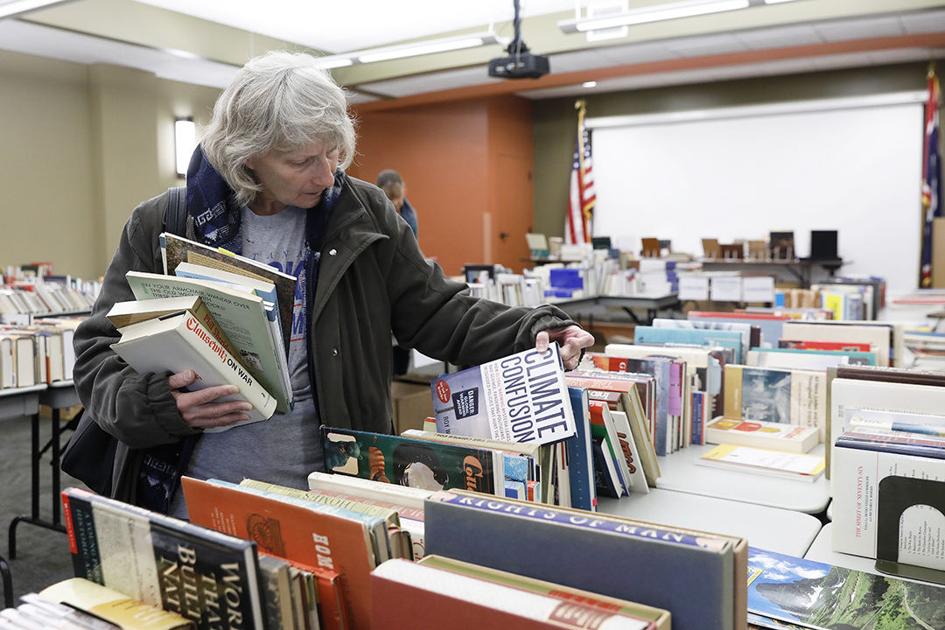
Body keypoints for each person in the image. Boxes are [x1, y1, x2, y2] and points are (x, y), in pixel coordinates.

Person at [72, 51, 593, 517]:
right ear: (246, 154)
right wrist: (163, 405)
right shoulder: (165, 222)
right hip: (193, 490)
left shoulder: (362, 211)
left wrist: (536, 329)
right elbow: (98, 356)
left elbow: (438, 313)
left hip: (338, 488)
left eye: (334, 155)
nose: (325, 176)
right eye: (301, 161)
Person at [376, 169, 418, 236]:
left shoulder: (410, 215)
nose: (395, 203)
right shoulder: (372, 216)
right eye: (390, 199)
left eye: (398, 197)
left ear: (403, 191)